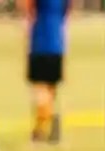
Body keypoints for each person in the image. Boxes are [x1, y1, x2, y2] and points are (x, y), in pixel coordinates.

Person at [21, 0, 70, 143]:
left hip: (40, 43)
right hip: (58, 43)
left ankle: (41, 128)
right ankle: (51, 124)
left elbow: (28, 9)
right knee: (51, 88)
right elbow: (66, 11)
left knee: (40, 89)